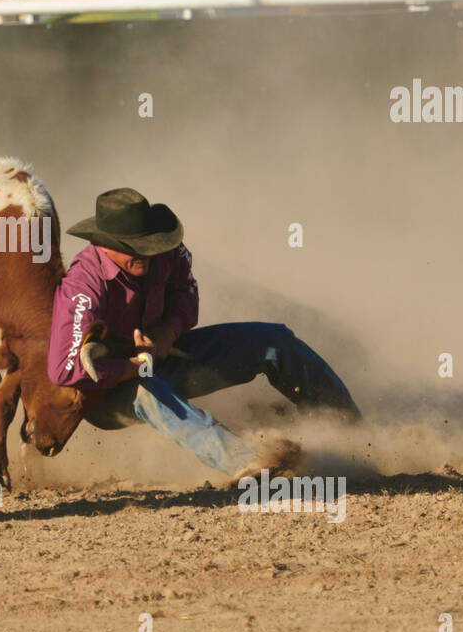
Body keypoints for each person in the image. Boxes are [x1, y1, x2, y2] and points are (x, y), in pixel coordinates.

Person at [48, 188, 361, 476]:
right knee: (148, 391)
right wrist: (135, 366)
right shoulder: (82, 286)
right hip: (108, 392)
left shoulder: (166, 250)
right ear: (104, 245)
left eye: (147, 243)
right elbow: (65, 369)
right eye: (131, 246)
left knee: (274, 340)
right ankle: (249, 464)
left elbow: (186, 297)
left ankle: (353, 433)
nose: (144, 252)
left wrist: (163, 337)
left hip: (166, 355)